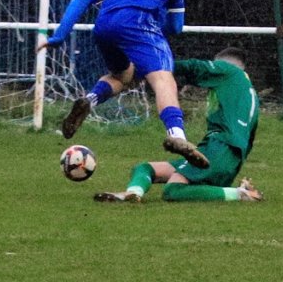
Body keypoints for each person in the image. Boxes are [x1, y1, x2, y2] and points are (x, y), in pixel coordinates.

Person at [37, 0, 208, 169]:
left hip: (105, 25)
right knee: (163, 79)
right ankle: (177, 135)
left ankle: (90, 100)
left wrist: (60, 35)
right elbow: (175, 26)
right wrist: (155, 27)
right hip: (139, 21)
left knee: (123, 74)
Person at [94, 47, 262, 203]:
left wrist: (157, 68)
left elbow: (194, 66)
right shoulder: (248, 94)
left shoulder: (229, 71)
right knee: (145, 168)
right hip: (228, 153)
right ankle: (133, 193)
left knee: (173, 190)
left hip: (219, 146)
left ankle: (239, 194)